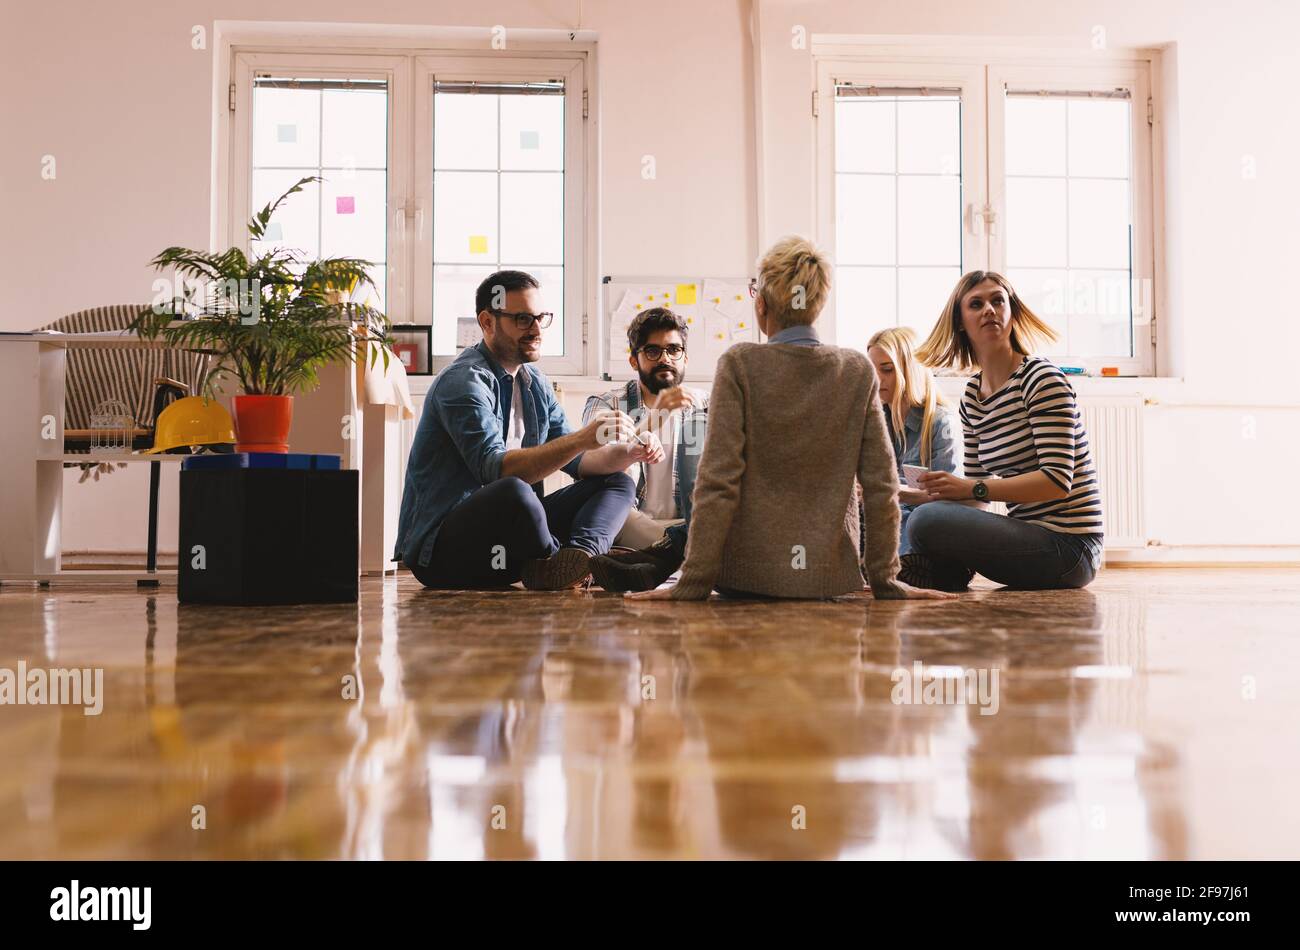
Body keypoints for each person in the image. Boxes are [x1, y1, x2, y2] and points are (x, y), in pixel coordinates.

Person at [623, 236, 954, 602]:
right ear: (819, 305)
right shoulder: (856, 370)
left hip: (747, 577)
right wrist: (885, 581)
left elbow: (717, 482)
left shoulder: (739, 364)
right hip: (825, 579)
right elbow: (881, 486)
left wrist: (693, 582)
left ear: (761, 305)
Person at [394, 270, 652, 590]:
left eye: (540, 318)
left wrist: (628, 453)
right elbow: (496, 471)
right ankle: (557, 559)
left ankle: (581, 560)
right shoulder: (464, 382)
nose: (536, 329)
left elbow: (578, 461)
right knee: (514, 490)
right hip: (444, 556)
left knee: (617, 481)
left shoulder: (535, 383)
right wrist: (584, 437)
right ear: (487, 322)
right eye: (523, 319)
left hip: (512, 549)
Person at [903, 270, 1105, 591]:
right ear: (960, 322)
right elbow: (976, 500)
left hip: (1071, 549)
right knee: (925, 515)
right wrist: (910, 495)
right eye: (976, 304)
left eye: (998, 301)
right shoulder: (972, 397)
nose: (989, 309)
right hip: (1029, 537)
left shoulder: (1040, 379)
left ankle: (938, 571)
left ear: (1011, 312)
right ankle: (940, 574)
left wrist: (969, 489)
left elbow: (1056, 481)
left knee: (925, 521)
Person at [583, 308, 708, 591]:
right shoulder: (607, 403)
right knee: (608, 510)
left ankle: (658, 559)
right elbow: (591, 462)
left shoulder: (706, 405)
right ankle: (677, 554)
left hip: (690, 522)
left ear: (685, 357)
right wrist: (653, 419)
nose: (665, 358)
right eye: (652, 351)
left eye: (673, 349)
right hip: (630, 525)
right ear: (634, 360)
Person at [866, 327, 960, 555]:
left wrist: (894, 492)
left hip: (920, 525)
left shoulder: (941, 423)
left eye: (887, 369)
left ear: (910, 371)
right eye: (871, 370)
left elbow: (950, 501)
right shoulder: (876, 419)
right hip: (884, 521)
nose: (876, 379)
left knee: (920, 519)